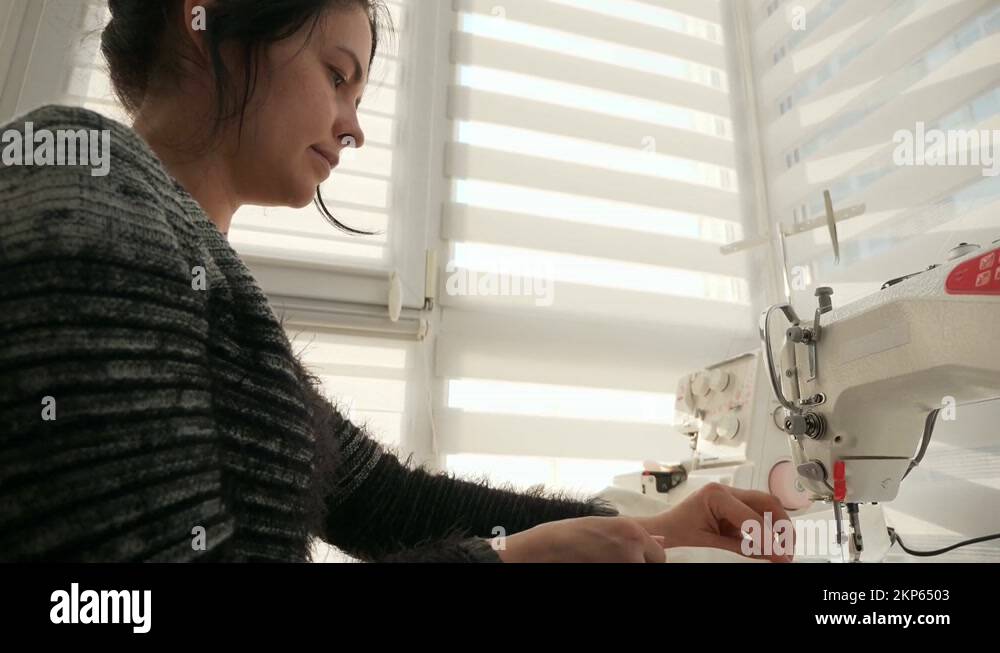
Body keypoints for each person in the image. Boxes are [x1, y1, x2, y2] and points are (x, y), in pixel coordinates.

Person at [0, 0, 793, 563]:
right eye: (336, 74)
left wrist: (657, 523)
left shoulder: (196, 270)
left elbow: (389, 499)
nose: (354, 124)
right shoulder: (86, 207)